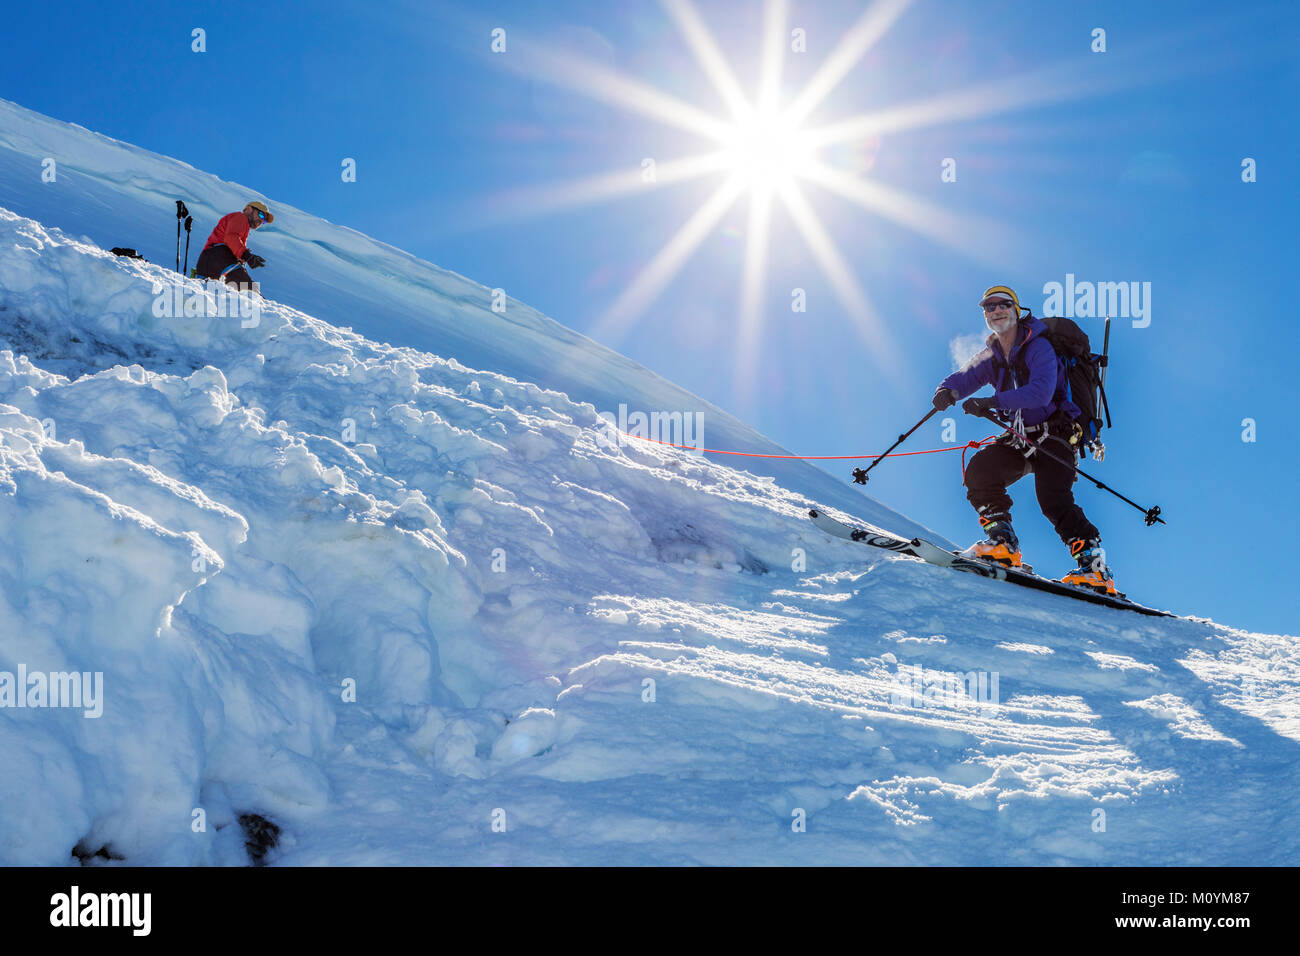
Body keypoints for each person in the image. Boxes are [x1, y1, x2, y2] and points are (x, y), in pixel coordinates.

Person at [931, 285, 1117, 594]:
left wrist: (992, 402)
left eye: (1003, 305)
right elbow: (966, 376)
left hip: (1057, 433)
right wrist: (947, 391)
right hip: (1020, 438)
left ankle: (1095, 569)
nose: (996, 311)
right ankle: (1002, 544)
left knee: (1053, 498)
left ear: (1016, 310)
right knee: (981, 471)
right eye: (989, 308)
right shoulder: (993, 354)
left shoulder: (1038, 346)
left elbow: (1041, 392)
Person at [194, 201, 273, 291]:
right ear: (249, 209)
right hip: (218, 255)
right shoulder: (241, 217)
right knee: (248, 290)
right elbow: (231, 237)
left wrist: (244, 257)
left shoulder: (242, 225)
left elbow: (232, 241)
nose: (262, 220)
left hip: (210, 259)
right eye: (261, 215)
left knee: (212, 293)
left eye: (265, 220)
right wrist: (247, 255)